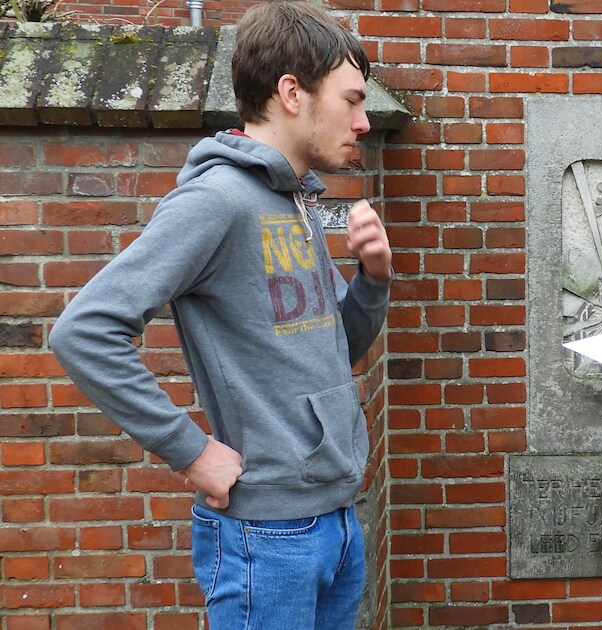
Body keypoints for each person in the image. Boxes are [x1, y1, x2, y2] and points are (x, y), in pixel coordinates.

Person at [49, 3, 391, 628]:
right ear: (293, 92)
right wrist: (191, 451)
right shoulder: (216, 201)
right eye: (352, 100)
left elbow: (330, 352)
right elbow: (85, 331)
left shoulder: (297, 202)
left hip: (337, 522)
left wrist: (372, 280)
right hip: (268, 540)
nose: (364, 121)